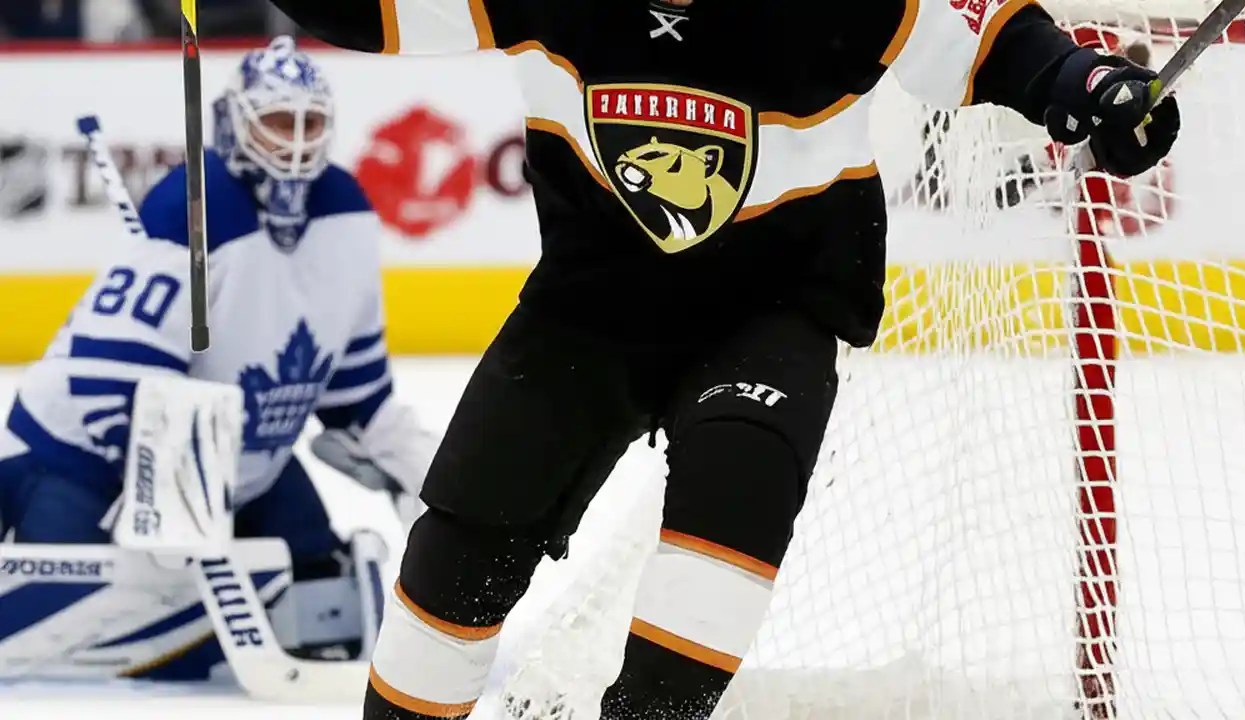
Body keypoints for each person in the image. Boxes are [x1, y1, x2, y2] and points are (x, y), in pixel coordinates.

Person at [264, 1, 1181, 718]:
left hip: (774, 308)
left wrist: (1092, 84)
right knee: (456, 559)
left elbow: (999, 42)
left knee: (721, 543)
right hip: (591, 306)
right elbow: (360, 9)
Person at [0, 36, 435, 672]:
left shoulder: (347, 214)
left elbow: (356, 396)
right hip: (83, 466)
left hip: (244, 467)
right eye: (278, 121)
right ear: (236, 122)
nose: (295, 142)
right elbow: (105, 378)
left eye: (310, 122)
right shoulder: (196, 208)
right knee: (69, 651)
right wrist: (177, 500)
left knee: (317, 601)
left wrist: (436, 482)